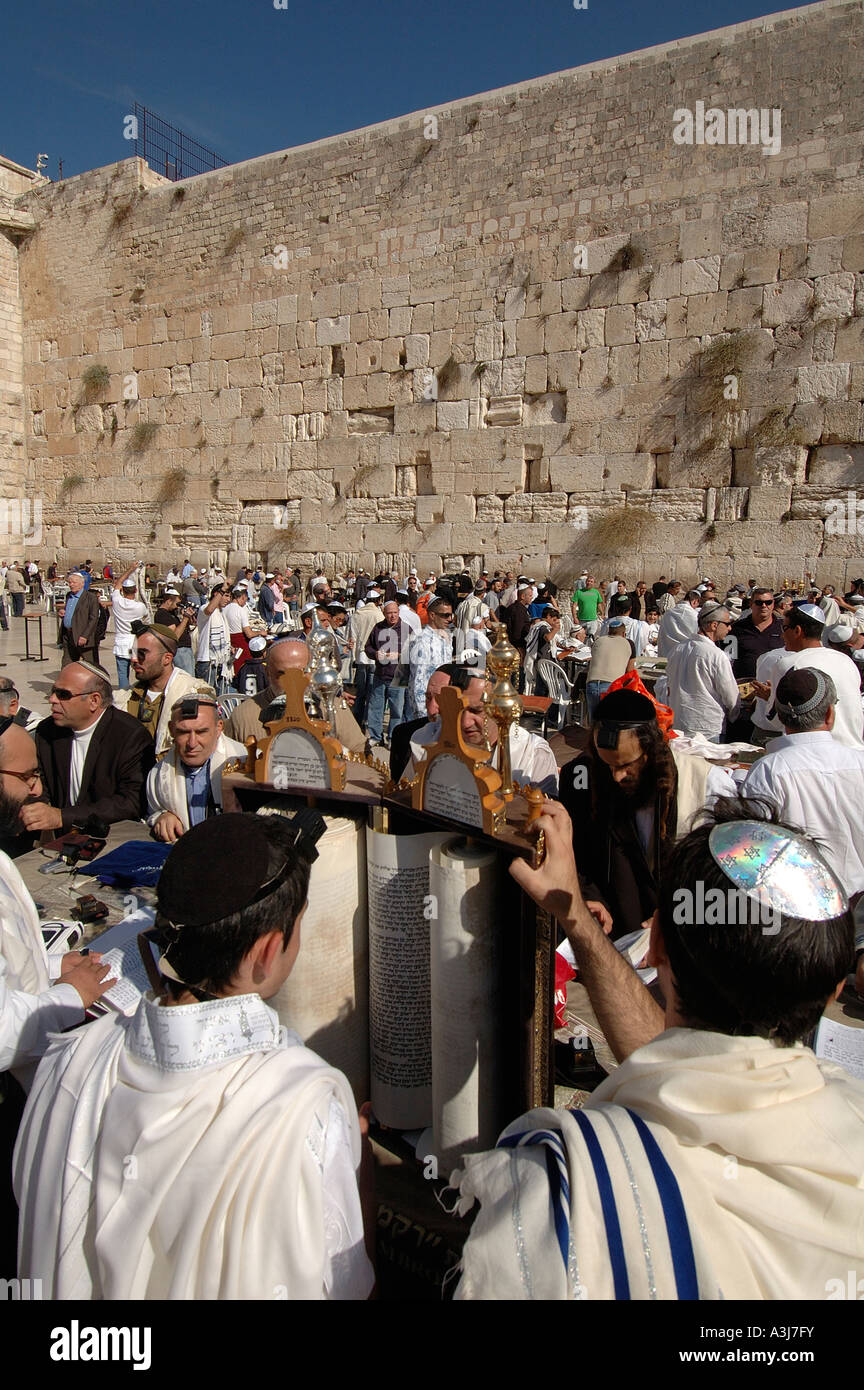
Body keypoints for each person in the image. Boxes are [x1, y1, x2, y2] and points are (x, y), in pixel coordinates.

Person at [452, 798, 863, 1300]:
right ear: (833, 992)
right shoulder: (851, 1114)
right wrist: (576, 917)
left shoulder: (559, 1194)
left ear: (656, 946)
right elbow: (689, 1071)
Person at [15, 812, 375, 1299]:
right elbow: (343, 1284)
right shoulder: (304, 1109)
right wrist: (357, 1165)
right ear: (269, 951)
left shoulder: (68, 1060)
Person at [743, 668, 864, 896]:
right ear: (830, 714)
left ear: (779, 716)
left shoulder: (769, 770)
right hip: (852, 903)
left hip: (798, 904)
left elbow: (754, 850)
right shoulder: (859, 763)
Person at [26, 662, 155, 833]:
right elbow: (39, 784)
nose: (52, 700)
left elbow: (131, 802)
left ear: (94, 700)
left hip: (109, 837)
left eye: (63, 694)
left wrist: (62, 817)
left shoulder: (130, 736)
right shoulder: (47, 731)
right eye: (53, 692)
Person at [407, 673, 559, 795]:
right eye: (459, 709)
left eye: (477, 711)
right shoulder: (426, 740)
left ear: (500, 709)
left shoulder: (534, 756)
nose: (466, 722)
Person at [225, 636, 367, 756]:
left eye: (302, 672)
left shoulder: (334, 709)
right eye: (283, 674)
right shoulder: (243, 715)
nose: (294, 683)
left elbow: (361, 755)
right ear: (268, 673)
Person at [753, 601, 864, 750]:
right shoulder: (846, 661)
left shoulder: (789, 664)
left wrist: (771, 698)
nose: (781, 634)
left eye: (784, 628)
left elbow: (777, 721)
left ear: (797, 631)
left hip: (816, 754)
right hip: (853, 754)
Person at [146, 696, 247, 841]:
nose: (192, 743)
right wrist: (162, 816)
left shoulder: (246, 763)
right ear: (171, 730)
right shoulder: (158, 775)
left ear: (219, 728)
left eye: (201, 732)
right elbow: (151, 813)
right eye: (183, 732)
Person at [114, 624, 206, 755]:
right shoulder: (123, 698)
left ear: (167, 658)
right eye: (132, 653)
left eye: (141, 654)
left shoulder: (193, 693)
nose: (134, 660)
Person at [666, 602, 739, 742]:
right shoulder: (717, 655)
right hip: (708, 729)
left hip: (680, 725)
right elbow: (730, 695)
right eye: (727, 623)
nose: (729, 628)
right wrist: (733, 716)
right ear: (714, 625)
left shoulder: (677, 650)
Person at [364, 601, 409, 749]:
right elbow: (368, 647)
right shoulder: (378, 628)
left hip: (399, 675)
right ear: (384, 613)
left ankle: (392, 738)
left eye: (395, 612)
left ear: (398, 612)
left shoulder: (406, 630)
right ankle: (376, 737)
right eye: (389, 613)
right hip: (380, 674)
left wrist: (401, 655)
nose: (392, 615)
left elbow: (415, 651)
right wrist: (375, 653)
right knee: (375, 707)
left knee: (397, 710)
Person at [407, 597, 454, 719]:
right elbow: (418, 680)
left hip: (442, 706)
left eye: (451, 615)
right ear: (432, 615)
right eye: (445, 615)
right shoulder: (423, 641)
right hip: (428, 712)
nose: (449, 619)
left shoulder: (443, 638)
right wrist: (423, 714)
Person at [584, 620, 634, 721]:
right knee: (610, 723)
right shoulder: (629, 643)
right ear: (624, 634)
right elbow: (630, 671)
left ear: (608, 632)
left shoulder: (598, 641)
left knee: (594, 723)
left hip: (592, 684)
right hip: (612, 686)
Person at [730, 586, 783, 680]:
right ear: (751, 604)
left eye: (768, 602)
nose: (764, 606)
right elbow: (728, 659)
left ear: (773, 604)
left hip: (775, 685)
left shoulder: (783, 628)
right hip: (745, 686)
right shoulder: (736, 628)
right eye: (759, 603)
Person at [110, 564, 149, 689]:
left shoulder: (116, 601)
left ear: (123, 590)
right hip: (135, 642)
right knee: (141, 671)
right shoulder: (140, 607)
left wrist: (131, 569)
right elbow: (146, 619)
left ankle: (124, 696)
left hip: (121, 642)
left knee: (123, 674)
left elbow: (118, 583)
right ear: (135, 590)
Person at [58, 569, 104, 666]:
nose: (71, 585)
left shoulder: (90, 597)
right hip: (68, 635)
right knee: (67, 664)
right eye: (69, 583)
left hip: (82, 636)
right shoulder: (69, 595)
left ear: (82, 584)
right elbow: (73, 613)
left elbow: (94, 618)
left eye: (74, 582)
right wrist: (63, 613)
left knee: (90, 665)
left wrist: (85, 636)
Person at [196, 582, 233, 692]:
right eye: (226, 595)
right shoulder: (204, 608)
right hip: (208, 660)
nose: (228, 599)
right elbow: (209, 610)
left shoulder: (221, 613)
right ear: (217, 594)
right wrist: (223, 589)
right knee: (206, 697)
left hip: (220, 662)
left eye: (230, 596)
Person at [153, 588, 195, 674]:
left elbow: (193, 624)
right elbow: (174, 635)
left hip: (185, 649)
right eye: (177, 603)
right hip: (180, 650)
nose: (177, 606)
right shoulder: (162, 615)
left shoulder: (171, 613)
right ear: (169, 601)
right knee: (187, 677)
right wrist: (185, 618)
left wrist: (189, 617)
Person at [656, 587, 701, 658]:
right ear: (695, 601)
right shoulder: (694, 615)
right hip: (684, 657)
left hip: (666, 654)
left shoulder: (668, 613)